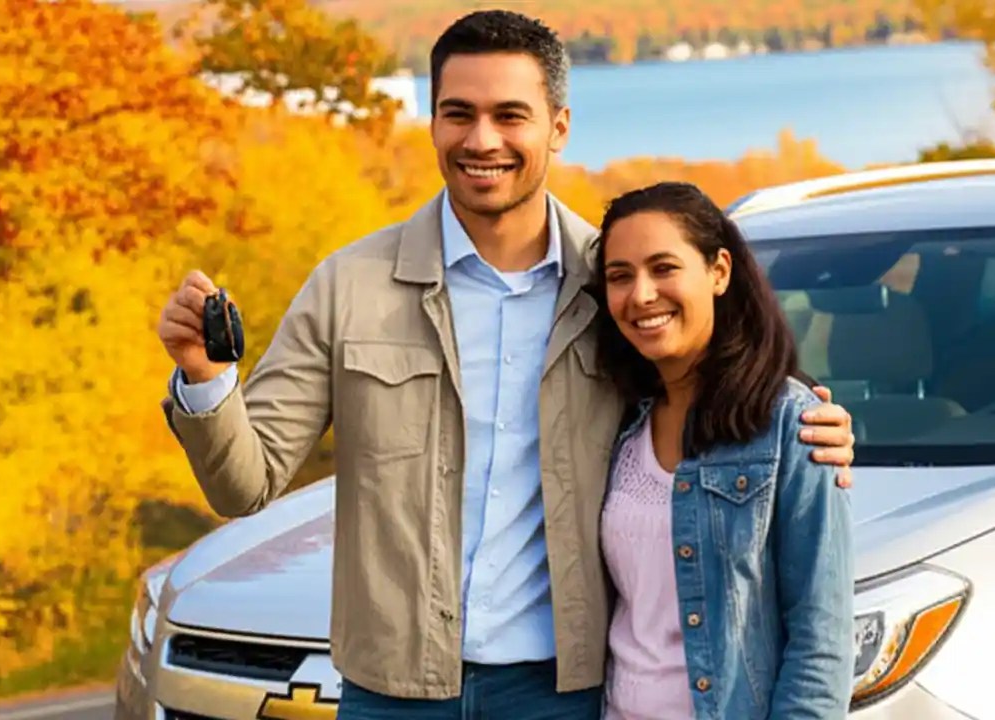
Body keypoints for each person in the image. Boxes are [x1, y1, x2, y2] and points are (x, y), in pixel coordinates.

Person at [155, 9, 856, 719]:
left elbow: (705, 389)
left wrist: (807, 427)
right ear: (432, 122)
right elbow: (245, 485)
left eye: (509, 115)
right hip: (391, 694)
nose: (481, 139)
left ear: (558, 126)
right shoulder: (349, 286)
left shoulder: (609, 285)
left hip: (559, 694)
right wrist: (206, 379)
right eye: (457, 113)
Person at [593, 182, 854, 719]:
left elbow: (821, 639)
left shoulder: (791, 423)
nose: (641, 295)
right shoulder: (617, 423)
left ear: (719, 271)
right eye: (621, 276)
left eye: (664, 268)